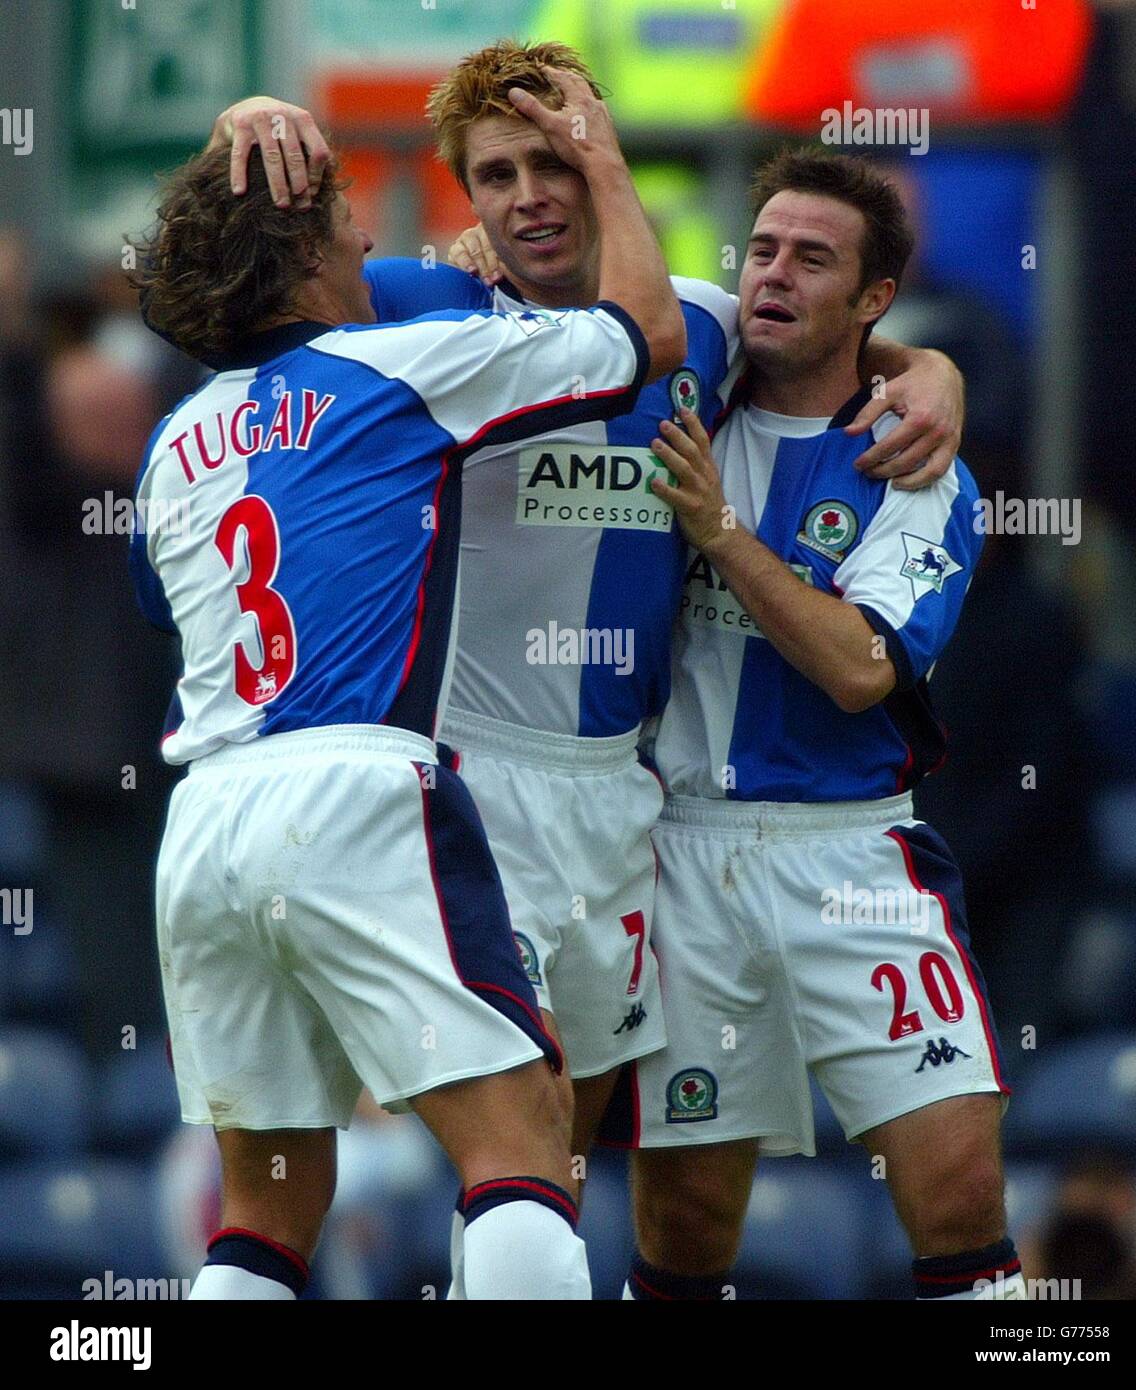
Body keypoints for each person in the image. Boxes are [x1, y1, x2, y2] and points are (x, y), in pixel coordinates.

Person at [208, 40, 966, 1296]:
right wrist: (241, 118)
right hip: (451, 780)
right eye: (495, 172)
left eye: (555, 160)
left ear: (605, 161)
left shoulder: (704, 324)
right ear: (466, 196)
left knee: (545, 1167)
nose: (529, 196)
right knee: (476, 1146)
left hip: (616, 798)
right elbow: (222, 296)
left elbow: (837, 339)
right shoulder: (408, 306)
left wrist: (924, 375)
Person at [129, 68, 685, 1300]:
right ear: (299, 254)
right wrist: (600, 159)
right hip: (358, 786)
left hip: (206, 817)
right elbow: (648, 337)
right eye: (339, 220)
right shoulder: (404, 365)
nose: (369, 233)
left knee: (265, 1205)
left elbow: (162, 600)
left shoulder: (177, 440)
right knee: (522, 1149)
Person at [613, 148, 1023, 1301]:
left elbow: (857, 668)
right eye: (761, 249)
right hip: (681, 852)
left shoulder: (913, 464)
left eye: (812, 257)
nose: (771, 275)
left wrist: (722, 533)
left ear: (873, 297)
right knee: (686, 1227)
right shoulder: (680, 390)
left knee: (954, 1197)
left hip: (850, 854)